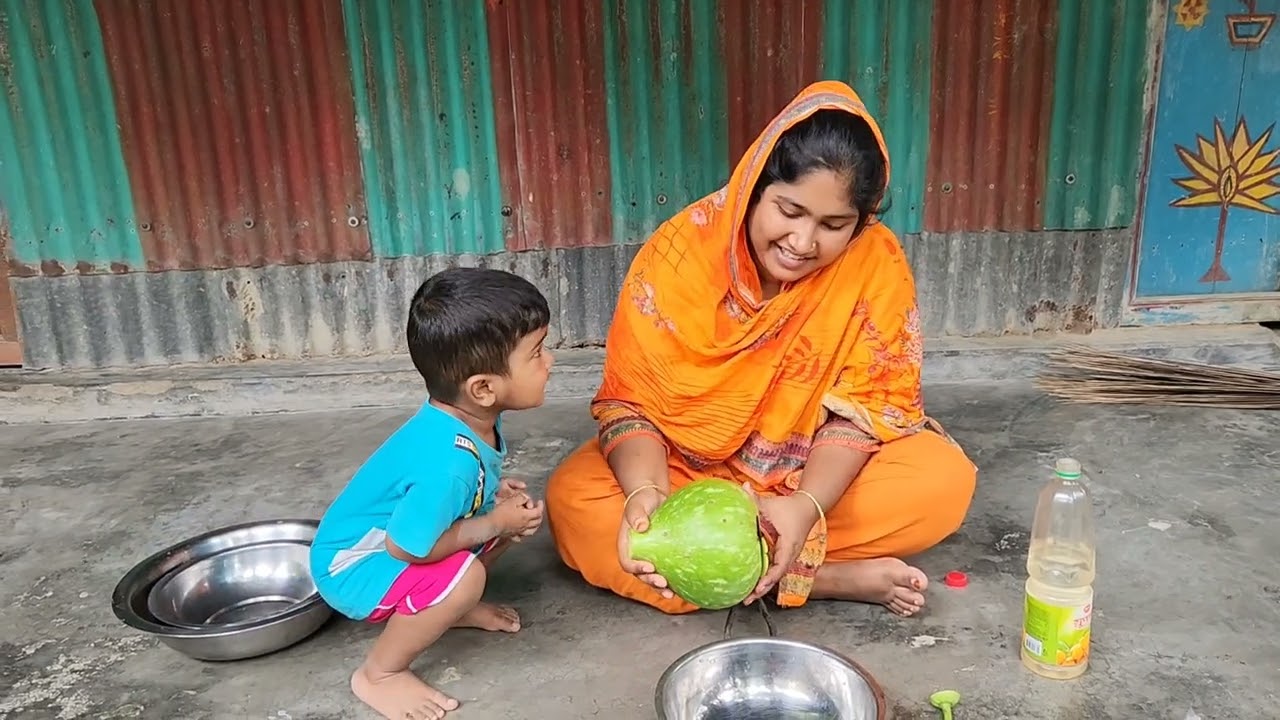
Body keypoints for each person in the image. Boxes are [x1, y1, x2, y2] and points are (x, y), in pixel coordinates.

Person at [545, 80, 978, 619]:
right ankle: (815, 579)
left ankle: (758, 558)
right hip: (685, 472)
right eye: (789, 210)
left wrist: (804, 507)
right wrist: (644, 496)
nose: (802, 242)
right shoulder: (680, 253)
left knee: (942, 483)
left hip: (805, 472)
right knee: (574, 503)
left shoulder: (874, 263)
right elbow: (630, 404)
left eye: (833, 225)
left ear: (861, 222)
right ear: (754, 188)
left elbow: (868, 407)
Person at [309, 267, 554, 720]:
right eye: (537, 353)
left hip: (397, 539)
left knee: (496, 522)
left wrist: (490, 493)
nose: (550, 362)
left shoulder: (467, 420)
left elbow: (444, 496)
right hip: (355, 565)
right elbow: (405, 548)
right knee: (469, 572)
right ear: (483, 388)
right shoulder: (447, 464)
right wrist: (494, 521)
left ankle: (448, 609)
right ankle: (380, 673)